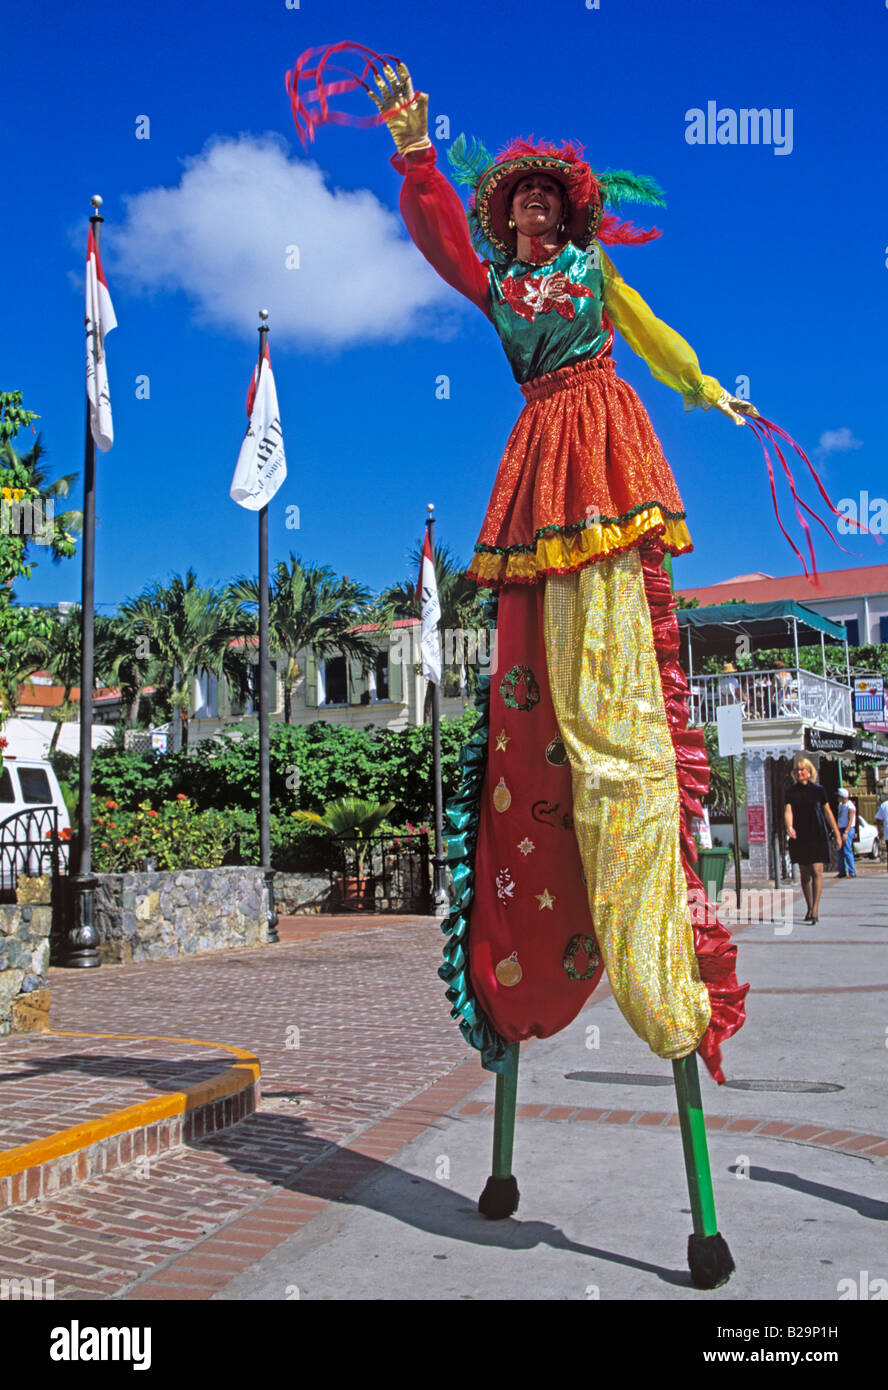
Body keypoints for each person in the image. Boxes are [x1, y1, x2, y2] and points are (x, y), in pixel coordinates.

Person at [362, 61, 751, 1083]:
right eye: (520, 195)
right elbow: (443, 237)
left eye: (547, 192)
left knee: (617, 661)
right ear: (509, 216)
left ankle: (656, 929)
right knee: (541, 668)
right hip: (543, 447)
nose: (534, 202)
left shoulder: (589, 275)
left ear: (568, 209)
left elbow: (657, 339)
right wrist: (417, 155)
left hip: (602, 434)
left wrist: (708, 389)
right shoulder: (499, 286)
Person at [785, 758, 841, 924]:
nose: (799, 773)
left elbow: (828, 812)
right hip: (800, 834)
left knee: (817, 871)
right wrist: (789, 826)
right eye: (797, 770)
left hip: (817, 833)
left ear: (809, 772)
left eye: (803, 770)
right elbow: (788, 811)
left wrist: (837, 833)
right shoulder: (791, 791)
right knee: (804, 873)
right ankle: (809, 906)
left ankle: (815, 909)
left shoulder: (818, 790)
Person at [835, 787, 857, 878]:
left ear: (843, 797)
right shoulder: (840, 805)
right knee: (840, 850)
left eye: (839, 796)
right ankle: (842, 871)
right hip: (840, 828)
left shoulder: (850, 806)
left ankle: (852, 871)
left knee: (847, 850)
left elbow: (850, 820)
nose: (837, 798)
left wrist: (846, 832)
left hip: (847, 829)